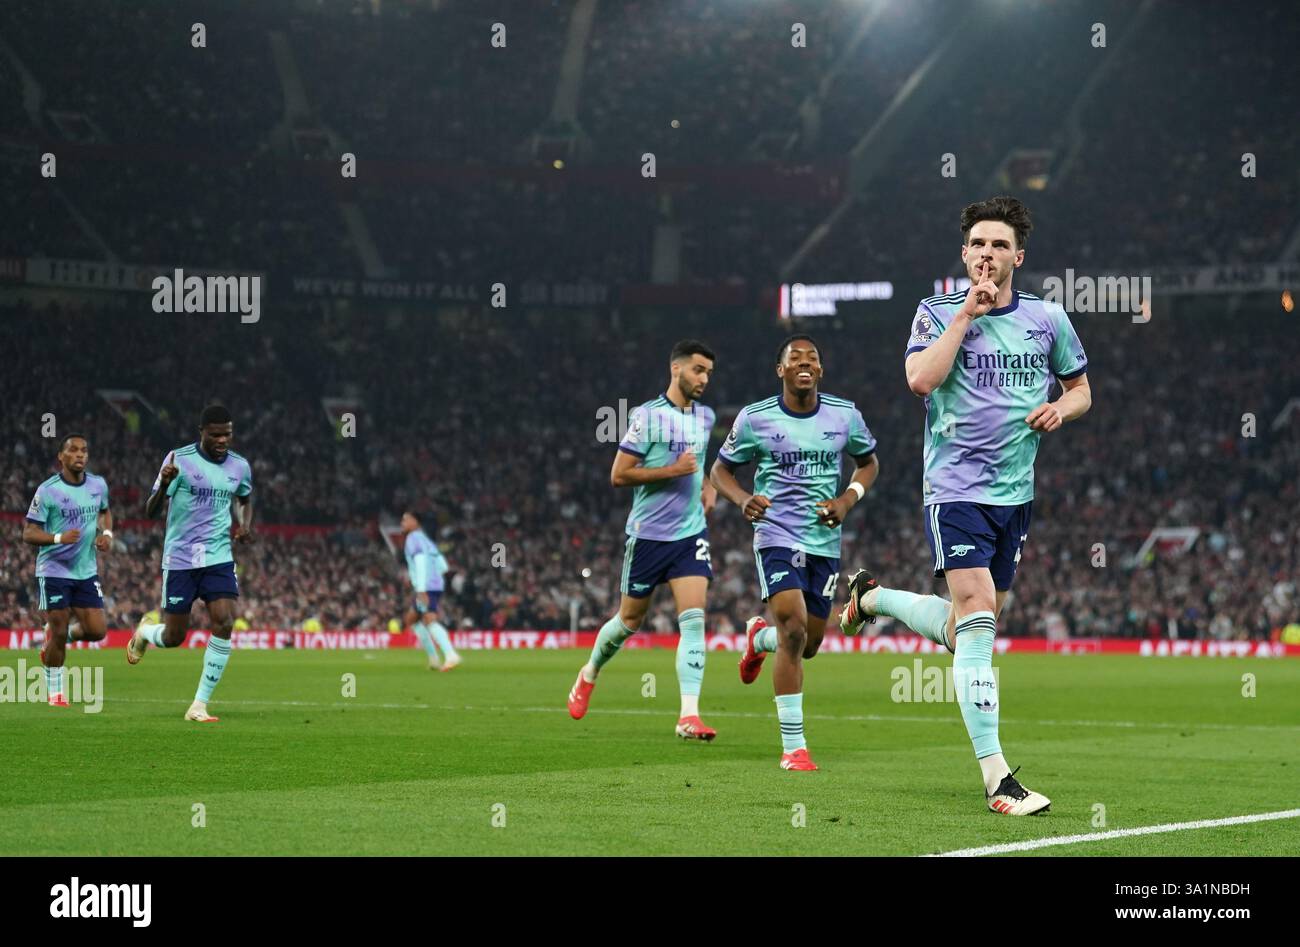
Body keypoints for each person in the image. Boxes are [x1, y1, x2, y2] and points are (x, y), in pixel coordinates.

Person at [840, 196, 1091, 814]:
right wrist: (965, 318)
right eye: (978, 243)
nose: (987, 253)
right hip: (954, 489)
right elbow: (920, 381)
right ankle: (998, 780)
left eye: (999, 245)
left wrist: (1062, 408)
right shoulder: (935, 313)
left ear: (1018, 257)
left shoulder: (1049, 319)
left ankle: (870, 598)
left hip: (1016, 495)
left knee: (964, 628)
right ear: (964, 253)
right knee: (978, 617)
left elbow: (1082, 388)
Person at [710, 335, 879, 770]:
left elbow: (869, 463)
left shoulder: (845, 416)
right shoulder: (755, 419)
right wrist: (742, 499)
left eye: (813, 359)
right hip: (776, 536)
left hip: (823, 543)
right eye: (794, 358)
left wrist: (847, 500)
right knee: (794, 629)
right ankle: (794, 748)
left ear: (820, 371)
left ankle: (757, 639)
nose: (804, 363)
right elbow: (720, 470)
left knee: (809, 645)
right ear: (780, 370)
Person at [567, 340, 720, 740]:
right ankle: (589, 673)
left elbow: (697, 465)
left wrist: (706, 486)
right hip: (648, 537)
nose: (704, 379)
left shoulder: (705, 417)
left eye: (708, 372)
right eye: (698, 370)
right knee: (628, 622)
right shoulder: (648, 417)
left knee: (693, 619)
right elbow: (619, 474)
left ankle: (689, 715)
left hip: (690, 536)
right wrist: (673, 471)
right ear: (676, 370)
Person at [128, 403, 255, 722]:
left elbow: (243, 498)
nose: (223, 440)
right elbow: (151, 511)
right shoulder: (178, 459)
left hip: (218, 556)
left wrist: (244, 525)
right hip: (181, 558)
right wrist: (166, 484)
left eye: (227, 434)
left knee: (225, 621)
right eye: (215, 435)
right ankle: (145, 633)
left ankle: (199, 705)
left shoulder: (239, 466)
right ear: (202, 433)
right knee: (174, 637)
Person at [23, 434, 112, 706]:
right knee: (59, 630)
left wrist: (106, 532)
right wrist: (59, 538)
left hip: (85, 571)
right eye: (73, 450)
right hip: (54, 571)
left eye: (84, 450)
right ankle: (55, 693)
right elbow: (29, 532)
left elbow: (105, 512)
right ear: (61, 457)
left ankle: (54, 641)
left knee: (97, 631)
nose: (80, 455)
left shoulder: (98, 485)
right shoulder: (48, 490)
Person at [401, 511, 460, 671]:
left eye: (406, 519)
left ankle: (450, 655)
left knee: (429, 619)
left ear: (416, 522)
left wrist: (421, 589)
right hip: (435, 584)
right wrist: (434, 578)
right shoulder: (428, 541)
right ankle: (434, 659)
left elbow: (420, 562)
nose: (402, 523)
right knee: (412, 619)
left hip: (425, 586)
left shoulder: (412, 539)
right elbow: (443, 566)